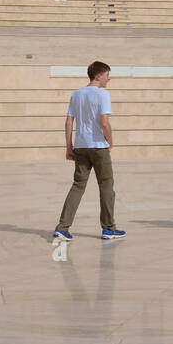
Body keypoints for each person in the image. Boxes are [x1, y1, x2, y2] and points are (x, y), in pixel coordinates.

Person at [53, 61, 125, 242]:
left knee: (78, 186)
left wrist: (69, 147)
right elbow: (104, 123)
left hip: (81, 146)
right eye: (107, 75)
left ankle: (62, 227)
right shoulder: (103, 94)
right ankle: (109, 229)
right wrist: (110, 141)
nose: (109, 79)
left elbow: (69, 121)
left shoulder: (76, 94)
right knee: (106, 187)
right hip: (98, 146)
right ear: (99, 75)